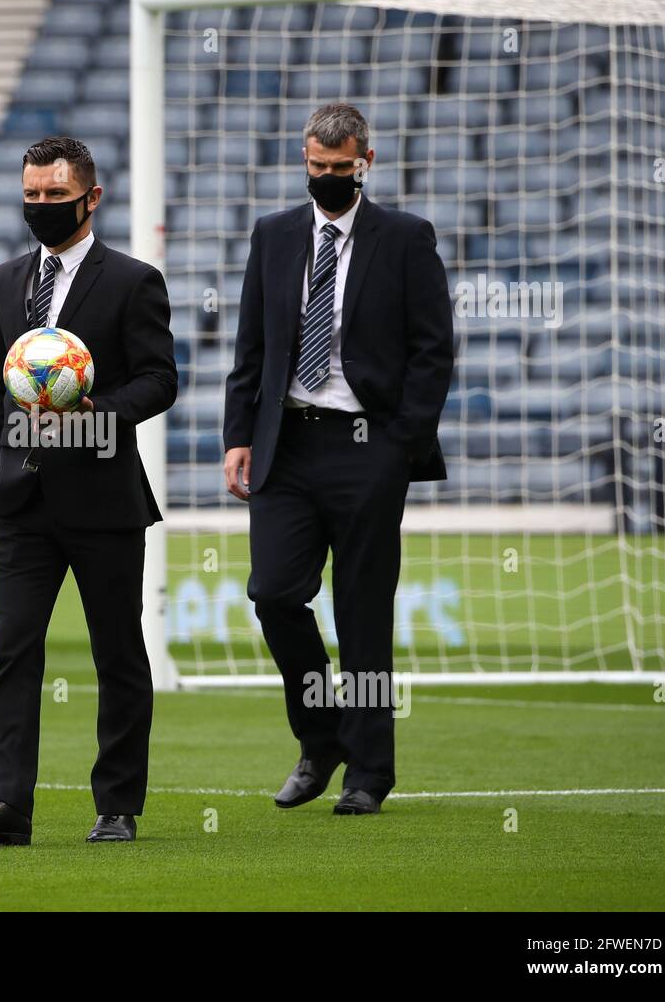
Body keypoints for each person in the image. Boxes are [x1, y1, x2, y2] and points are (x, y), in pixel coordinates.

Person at [0, 136, 177, 845]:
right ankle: (4, 806)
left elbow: (159, 380)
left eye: (55, 195)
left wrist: (94, 412)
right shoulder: (5, 279)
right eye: (32, 195)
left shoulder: (134, 280)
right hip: (19, 501)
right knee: (13, 646)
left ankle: (117, 805)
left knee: (116, 652)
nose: (41, 206)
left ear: (91, 197)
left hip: (104, 500)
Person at [223, 103, 453, 815]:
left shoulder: (407, 239)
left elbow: (432, 350)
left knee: (362, 615)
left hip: (367, 448)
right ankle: (321, 738)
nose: (326, 178)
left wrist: (400, 444)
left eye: (339, 168)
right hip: (286, 446)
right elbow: (251, 347)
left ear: (366, 161)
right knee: (273, 593)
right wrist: (239, 436)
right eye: (316, 168)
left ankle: (369, 775)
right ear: (304, 160)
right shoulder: (274, 235)